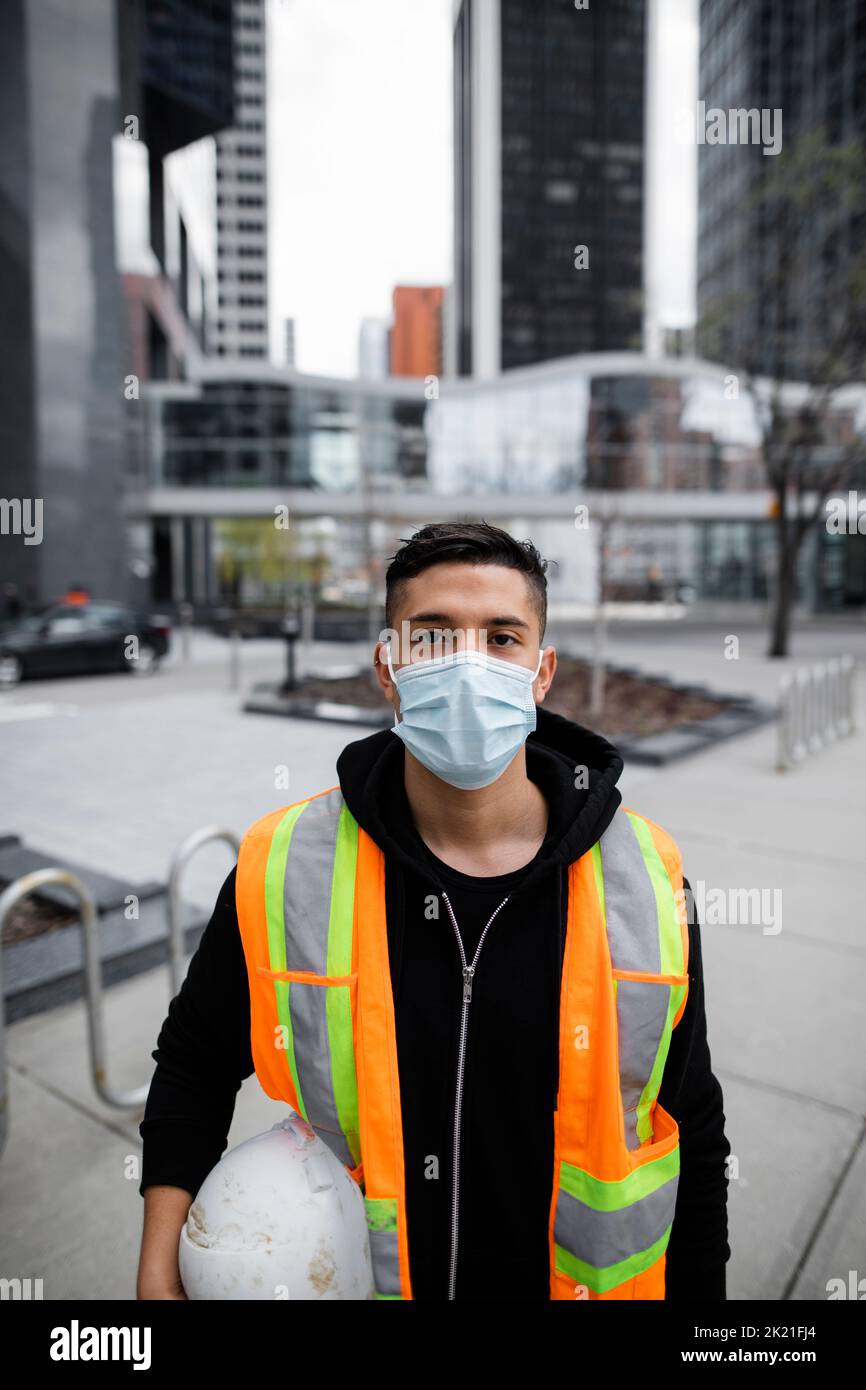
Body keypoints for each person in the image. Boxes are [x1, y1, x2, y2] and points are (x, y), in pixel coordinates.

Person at [137, 521, 730, 1301]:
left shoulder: (646, 879)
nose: (468, 663)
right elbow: (194, 1068)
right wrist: (155, 1270)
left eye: (503, 637)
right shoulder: (283, 867)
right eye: (434, 636)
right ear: (388, 666)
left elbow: (691, 1119)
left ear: (542, 672)